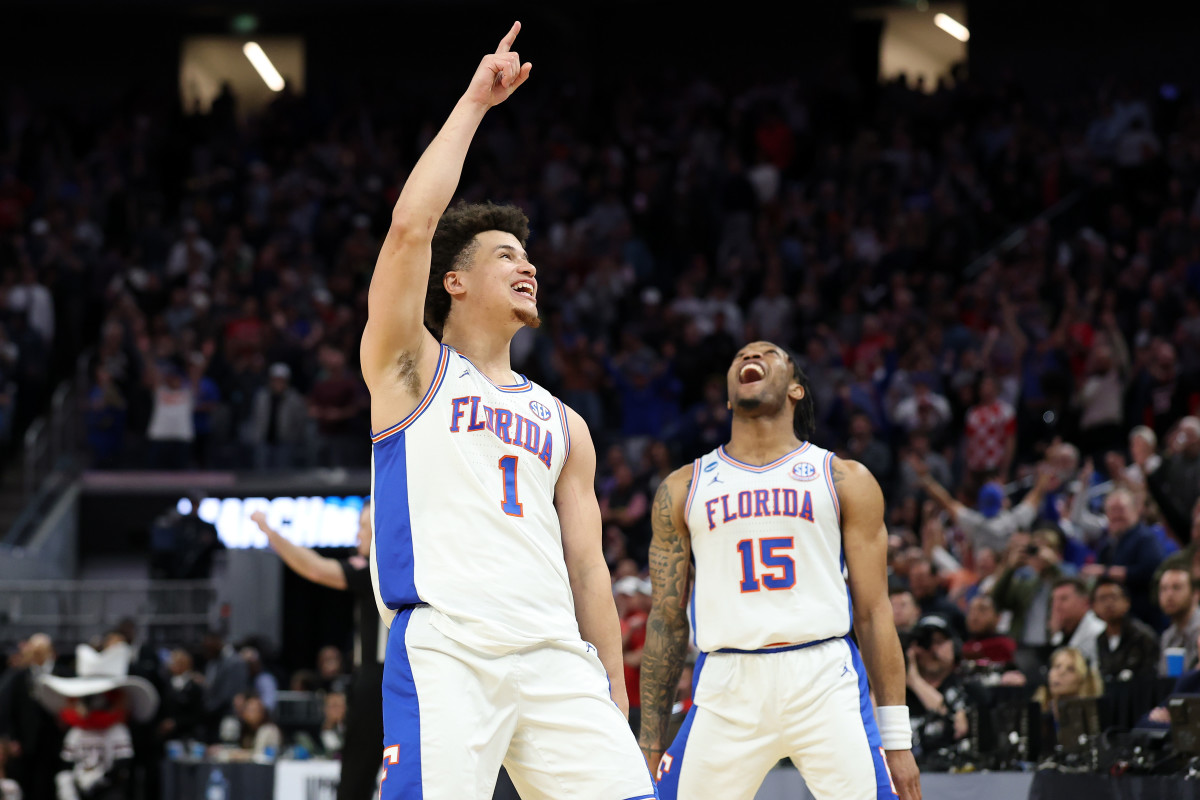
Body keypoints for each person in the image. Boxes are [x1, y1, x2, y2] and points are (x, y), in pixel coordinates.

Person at [358, 23, 653, 800]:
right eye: (504, 256)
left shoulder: (565, 422)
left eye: (528, 257)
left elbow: (588, 565)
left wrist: (611, 685)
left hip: (557, 656)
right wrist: (474, 104)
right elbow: (410, 231)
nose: (528, 266)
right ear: (453, 282)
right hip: (451, 646)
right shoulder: (411, 368)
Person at [638, 342, 920, 799]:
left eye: (770, 353)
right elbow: (666, 621)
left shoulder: (845, 478)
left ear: (795, 389)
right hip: (727, 680)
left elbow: (873, 613)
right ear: (728, 397)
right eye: (740, 356)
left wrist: (898, 740)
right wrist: (650, 743)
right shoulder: (683, 487)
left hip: (823, 677)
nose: (750, 357)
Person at [251, 502, 384, 800]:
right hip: (399, 681)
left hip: (377, 682)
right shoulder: (406, 566)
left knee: (355, 784)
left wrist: (270, 532)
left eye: (363, 527)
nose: (358, 535)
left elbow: (314, 568)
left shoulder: (376, 568)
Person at [1032, 647, 1103, 759]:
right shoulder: (1038, 713)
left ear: (1083, 679)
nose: (1060, 672)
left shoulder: (1094, 717)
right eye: (1057, 666)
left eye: (1071, 669)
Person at [1091, 576, 1160, 683]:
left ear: (1127, 602)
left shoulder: (1142, 636)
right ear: (1094, 607)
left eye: (1113, 597)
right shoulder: (1101, 639)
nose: (1108, 603)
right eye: (1102, 598)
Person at [1047, 577, 1106, 670]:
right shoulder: (1058, 636)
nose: (1056, 606)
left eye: (1063, 599)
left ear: (1085, 602)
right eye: (1054, 600)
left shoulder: (1099, 631)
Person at [1157, 566, 1200, 675]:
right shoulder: (1167, 636)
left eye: (1176, 588)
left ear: (1195, 594)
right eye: (1164, 589)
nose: (1169, 595)